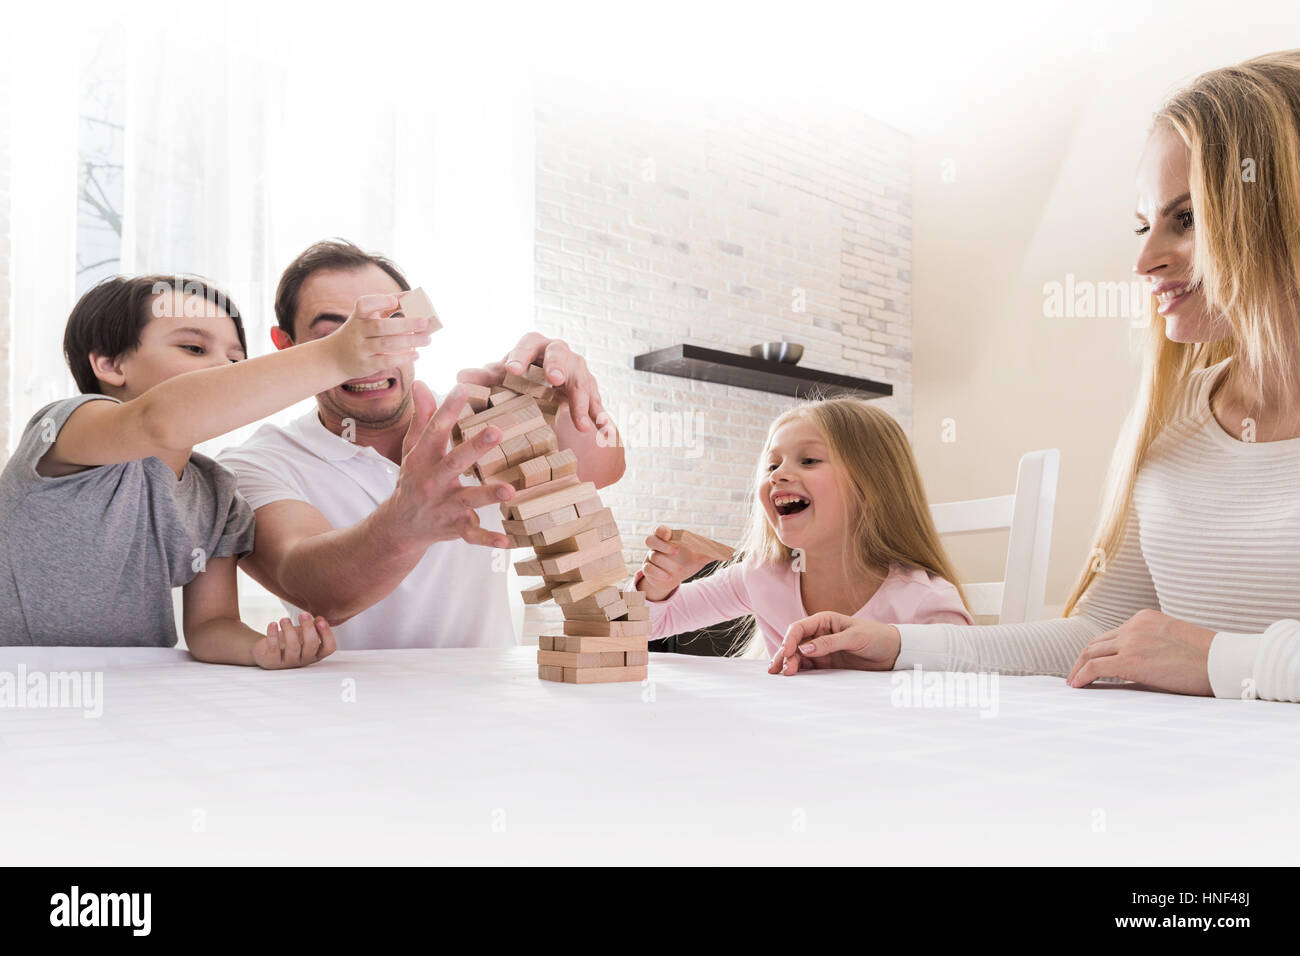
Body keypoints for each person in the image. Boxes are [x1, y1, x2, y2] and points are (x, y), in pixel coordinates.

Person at [771, 51, 1300, 704]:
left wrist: (1220, 660)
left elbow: (1193, 656)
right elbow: (1099, 633)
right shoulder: (1178, 414)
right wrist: (900, 645)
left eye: (1186, 219)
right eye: (1143, 223)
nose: (1144, 258)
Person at [0, 273, 433, 665]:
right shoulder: (67, 429)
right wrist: (337, 356)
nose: (223, 370)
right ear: (111, 365)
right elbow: (158, 419)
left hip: (129, 691)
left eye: (235, 360)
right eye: (193, 347)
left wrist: (260, 649)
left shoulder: (218, 493)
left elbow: (210, 625)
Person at [218, 240, 626, 648]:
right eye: (335, 336)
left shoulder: (477, 424)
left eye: (390, 327)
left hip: (492, 705)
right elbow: (315, 589)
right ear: (288, 347)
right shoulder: (257, 462)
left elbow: (603, 469)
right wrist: (405, 522)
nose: (372, 355)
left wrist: (564, 395)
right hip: (346, 709)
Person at [635, 397, 971, 656]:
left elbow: (970, 667)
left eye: (809, 460)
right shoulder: (761, 575)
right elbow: (647, 627)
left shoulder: (923, 601)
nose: (777, 474)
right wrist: (658, 587)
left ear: (873, 486)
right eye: (772, 464)